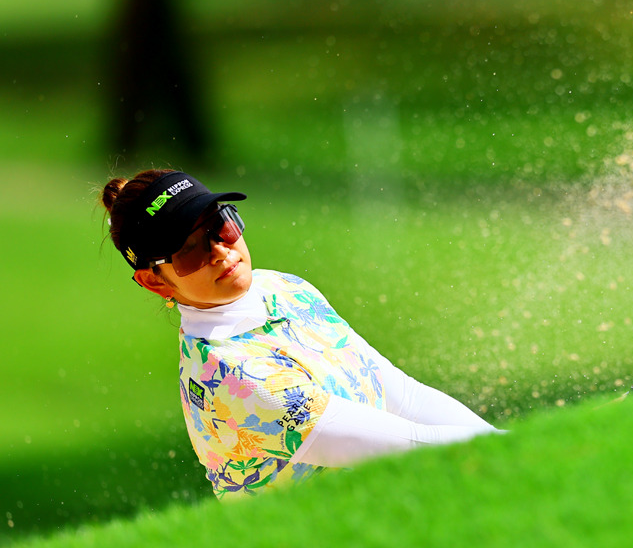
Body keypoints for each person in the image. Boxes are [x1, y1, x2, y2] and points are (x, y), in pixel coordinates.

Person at [100, 168, 500, 499]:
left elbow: (399, 393)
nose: (222, 251)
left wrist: (502, 441)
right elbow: (408, 447)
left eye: (219, 226)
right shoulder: (229, 375)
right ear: (154, 282)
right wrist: (515, 451)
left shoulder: (283, 288)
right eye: (189, 251)